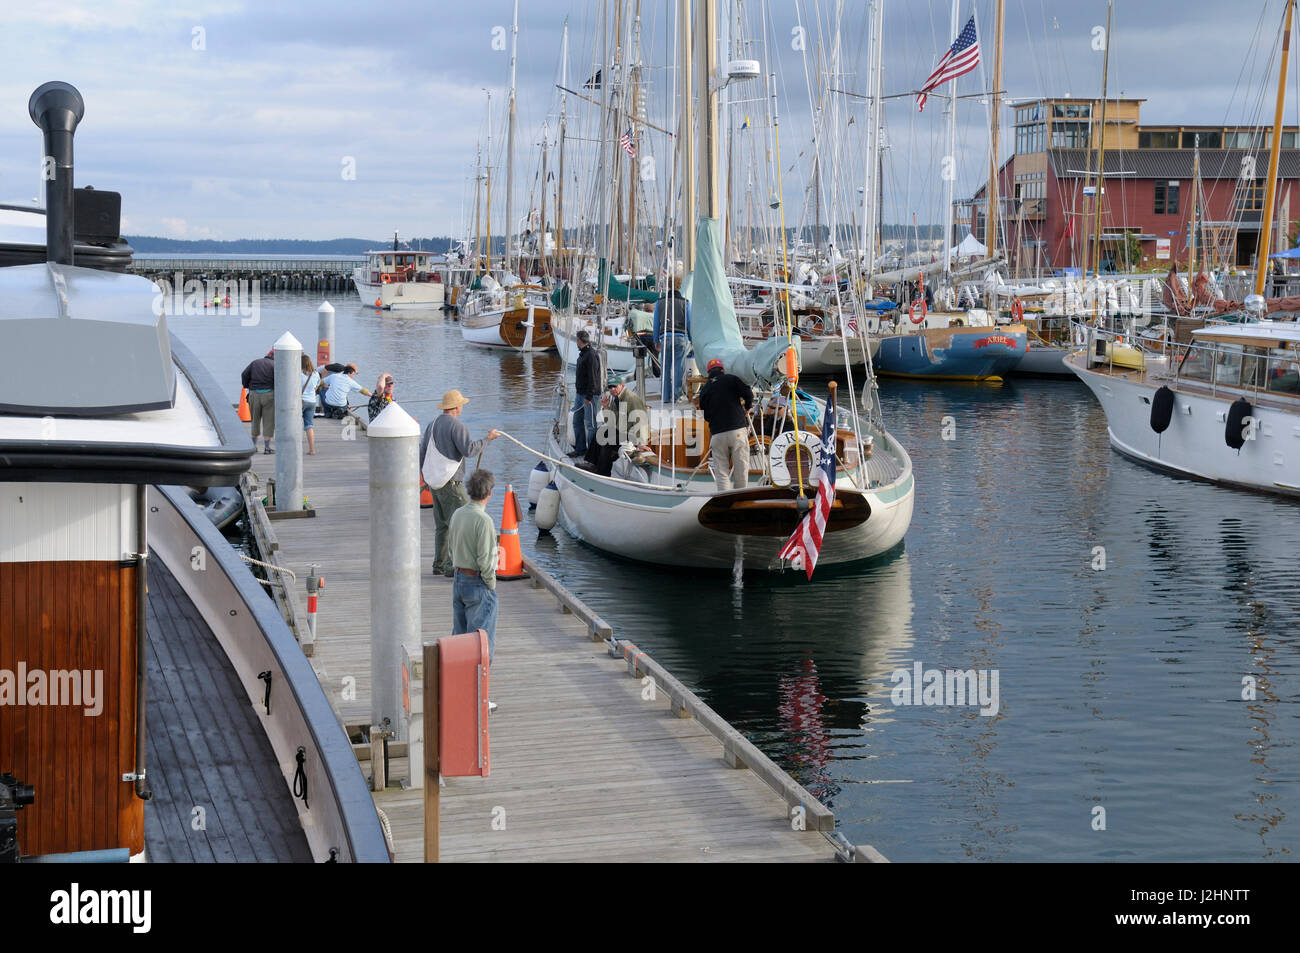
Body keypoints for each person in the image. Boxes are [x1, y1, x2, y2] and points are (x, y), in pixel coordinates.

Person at [420, 389, 501, 576]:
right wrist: (488, 439)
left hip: (434, 483)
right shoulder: (457, 426)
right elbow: (469, 450)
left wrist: (425, 477)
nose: (462, 407)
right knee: (463, 521)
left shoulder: (432, 425)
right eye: (462, 405)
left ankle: (438, 565)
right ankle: (450, 567)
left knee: (442, 526)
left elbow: (422, 451)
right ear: (457, 407)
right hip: (451, 484)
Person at [448, 468, 500, 670]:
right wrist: (491, 585)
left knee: (459, 643)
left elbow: (451, 548)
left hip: (458, 579)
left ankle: (458, 691)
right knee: (481, 646)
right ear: (489, 493)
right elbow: (486, 560)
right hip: (477, 583)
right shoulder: (484, 521)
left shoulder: (458, 514)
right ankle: (479, 695)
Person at [696, 358, 754, 492]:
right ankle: (740, 497)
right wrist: (748, 407)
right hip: (737, 430)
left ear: (708, 372)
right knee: (741, 467)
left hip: (717, 435)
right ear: (722, 370)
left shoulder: (705, 390)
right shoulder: (731, 379)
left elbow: (706, 416)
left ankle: (725, 497)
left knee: (721, 470)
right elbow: (748, 393)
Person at [584, 374, 649, 477]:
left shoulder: (631, 398)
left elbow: (641, 421)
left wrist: (640, 443)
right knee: (600, 432)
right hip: (621, 430)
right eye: (610, 387)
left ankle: (603, 472)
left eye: (615, 386)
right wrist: (605, 408)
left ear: (622, 385)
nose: (612, 389)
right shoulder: (616, 399)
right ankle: (592, 463)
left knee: (608, 440)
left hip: (631, 433)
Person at [652, 274, 691, 402]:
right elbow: (689, 322)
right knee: (678, 368)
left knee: (665, 368)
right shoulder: (685, 303)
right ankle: (676, 395)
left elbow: (656, 323)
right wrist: (691, 339)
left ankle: (665, 397)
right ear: (680, 286)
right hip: (680, 337)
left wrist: (656, 340)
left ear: (668, 285)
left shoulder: (660, 302)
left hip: (665, 337)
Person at [570, 329, 601, 457]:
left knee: (590, 424)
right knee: (577, 420)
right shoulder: (583, 354)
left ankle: (591, 453)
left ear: (579, 341)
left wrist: (589, 396)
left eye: (576, 340)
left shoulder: (591, 355)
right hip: (579, 394)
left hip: (590, 395)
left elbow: (593, 378)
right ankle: (580, 448)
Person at [240, 348, 276, 454]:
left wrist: (247, 385)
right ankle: (267, 447)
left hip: (254, 394)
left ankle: (254, 446)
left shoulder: (255, 363)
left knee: (255, 421)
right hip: (269, 395)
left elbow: (244, 375)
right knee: (269, 422)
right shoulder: (274, 365)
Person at [300, 354, 320, 456]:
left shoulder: (299, 374)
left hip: (301, 401)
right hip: (312, 402)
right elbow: (316, 387)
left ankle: (294, 447)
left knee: (294, 425)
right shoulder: (316, 374)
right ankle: (312, 450)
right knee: (309, 426)